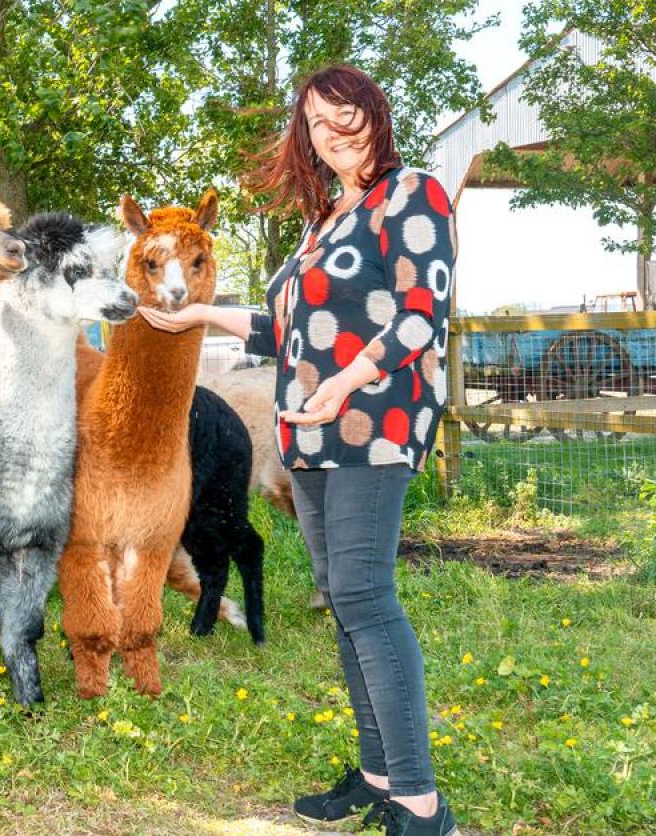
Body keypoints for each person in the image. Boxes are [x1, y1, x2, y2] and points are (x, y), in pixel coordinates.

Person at [141, 64, 459, 836]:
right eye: (317, 121)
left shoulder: (411, 194)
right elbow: (281, 329)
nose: (333, 129)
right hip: (307, 432)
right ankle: (381, 773)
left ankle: (420, 803)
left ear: (375, 113)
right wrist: (196, 318)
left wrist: (348, 379)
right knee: (348, 604)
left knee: (365, 599)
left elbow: (422, 312)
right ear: (306, 139)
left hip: (371, 423)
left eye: (345, 111)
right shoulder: (326, 221)